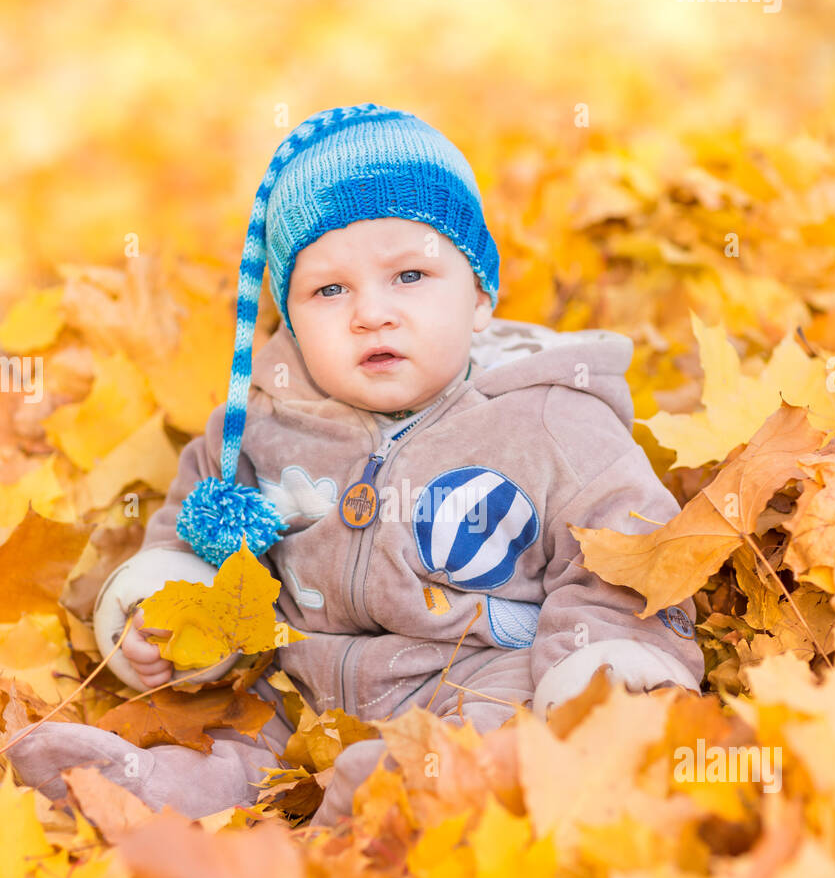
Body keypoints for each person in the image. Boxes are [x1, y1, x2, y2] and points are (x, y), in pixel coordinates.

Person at [3, 103, 702, 825]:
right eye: (329, 290)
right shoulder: (262, 425)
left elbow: (625, 559)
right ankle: (147, 790)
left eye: (409, 275)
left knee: (499, 723)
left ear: (480, 295)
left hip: (473, 672)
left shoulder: (549, 419)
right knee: (240, 732)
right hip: (303, 680)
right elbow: (194, 539)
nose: (371, 313)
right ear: (290, 318)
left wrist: (599, 670)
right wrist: (166, 613)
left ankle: (402, 793)